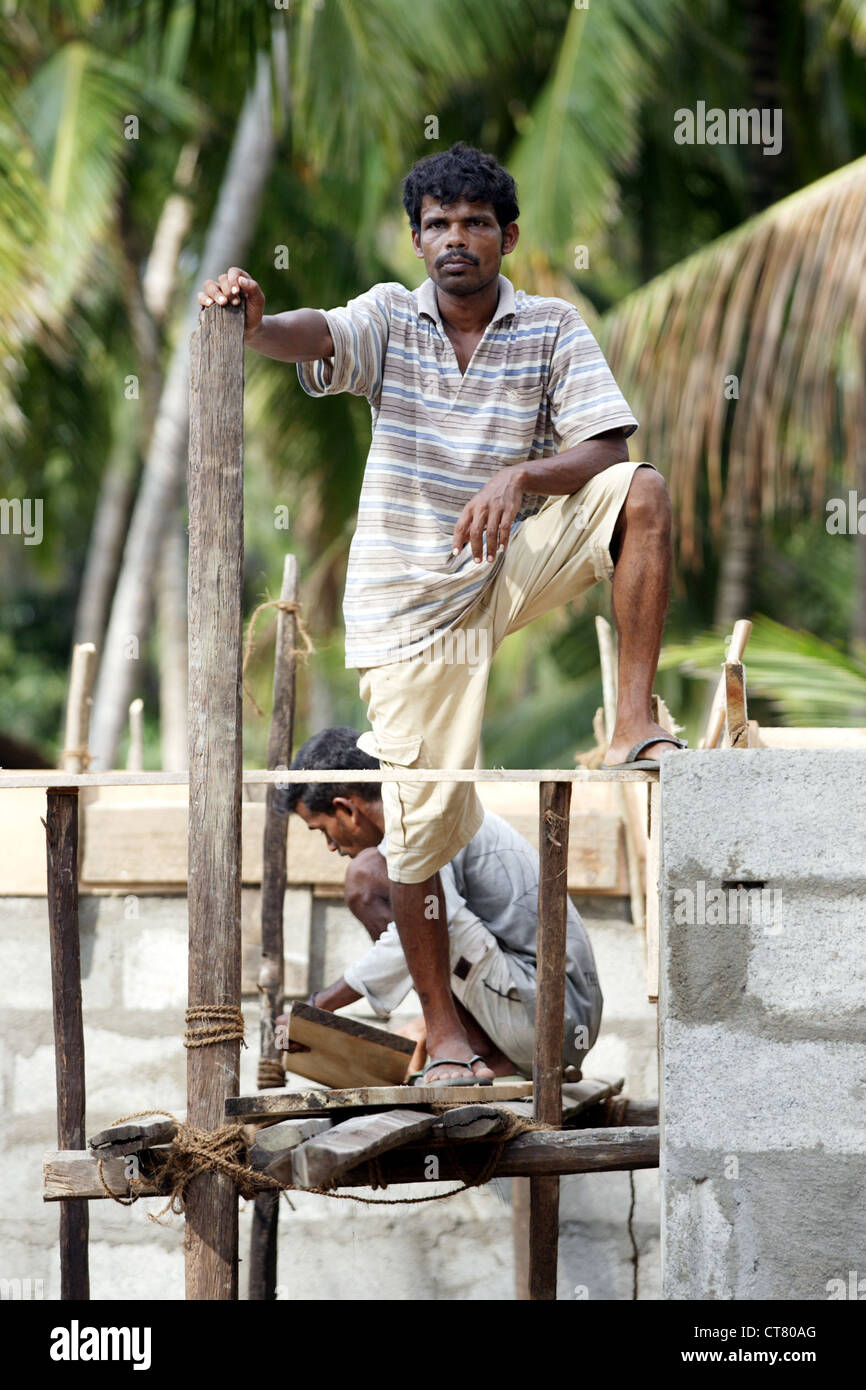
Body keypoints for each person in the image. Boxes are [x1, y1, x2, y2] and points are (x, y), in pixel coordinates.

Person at [199, 141, 686, 1084]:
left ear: (507, 235)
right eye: (437, 224)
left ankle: (634, 722)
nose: (454, 238)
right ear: (418, 240)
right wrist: (256, 323)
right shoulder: (391, 317)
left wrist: (520, 474)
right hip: (406, 609)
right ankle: (448, 1041)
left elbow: (605, 445)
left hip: (502, 560)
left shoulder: (551, 327)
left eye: (473, 222)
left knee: (644, 491)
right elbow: (317, 334)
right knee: (419, 826)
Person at [274, 727, 602, 1082]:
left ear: (347, 810)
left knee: (366, 879)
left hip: (549, 1021)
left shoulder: (422, 823)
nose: (330, 846)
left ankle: (472, 1048)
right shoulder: (423, 812)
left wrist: (317, 1007)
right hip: (551, 1020)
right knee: (404, 899)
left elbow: (420, 933)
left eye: (322, 830)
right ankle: (471, 1043)